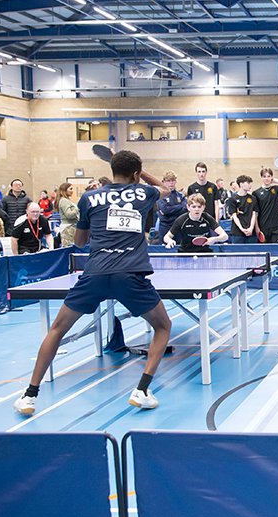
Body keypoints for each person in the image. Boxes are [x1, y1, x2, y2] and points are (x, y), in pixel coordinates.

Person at [13, 150, 173, 416]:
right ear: (136, 173)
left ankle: (30, 395)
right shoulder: (143, 193)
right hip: (130, 275)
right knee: (162, 326)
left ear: (112, 170)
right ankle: (142, 390)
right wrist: (141, 171)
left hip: (95, 273)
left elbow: (79, 242)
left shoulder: (90, 196)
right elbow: (162, 188)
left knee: (56, 330)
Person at [255, 167, 278, 243]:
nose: (266, 178)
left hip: (276, 227)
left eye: (269, 176)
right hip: (263, 227)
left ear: (271, 177)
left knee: (277, 251)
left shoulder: (276, 189)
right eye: (264, 176)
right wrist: (257, 229)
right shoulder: (256, 193)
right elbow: (255, 213)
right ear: (261, 178)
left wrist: (275, 180)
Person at [156, 171, 188, 245]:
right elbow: (164, 210)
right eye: (168, 181)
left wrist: (171, 209)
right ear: (164, 182)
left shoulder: (180, 196)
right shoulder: (161, 195)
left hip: (178, 226)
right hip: (165, 227)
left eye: (173, 181)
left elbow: (185, 209)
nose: (171, 183)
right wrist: (179, 207)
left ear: (176, 181)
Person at [228, 175, 258, 243]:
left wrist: (251, 228)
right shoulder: (232, 199)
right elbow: (234, 216)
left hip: (251, 233)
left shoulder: (253, 198)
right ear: (241, 184)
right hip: (237, 232)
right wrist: (242, 229)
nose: (250, 185)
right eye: (248, 183)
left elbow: (254, 214)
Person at [53, 182, 80, 248]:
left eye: (72, 189)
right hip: (68, 229)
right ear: (65, 190)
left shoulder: (67, 200)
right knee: (68, 248)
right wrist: (78, 208)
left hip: (71, 228)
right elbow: (69, 215)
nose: (72, 191)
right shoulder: (64, 201)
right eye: (70, 189)